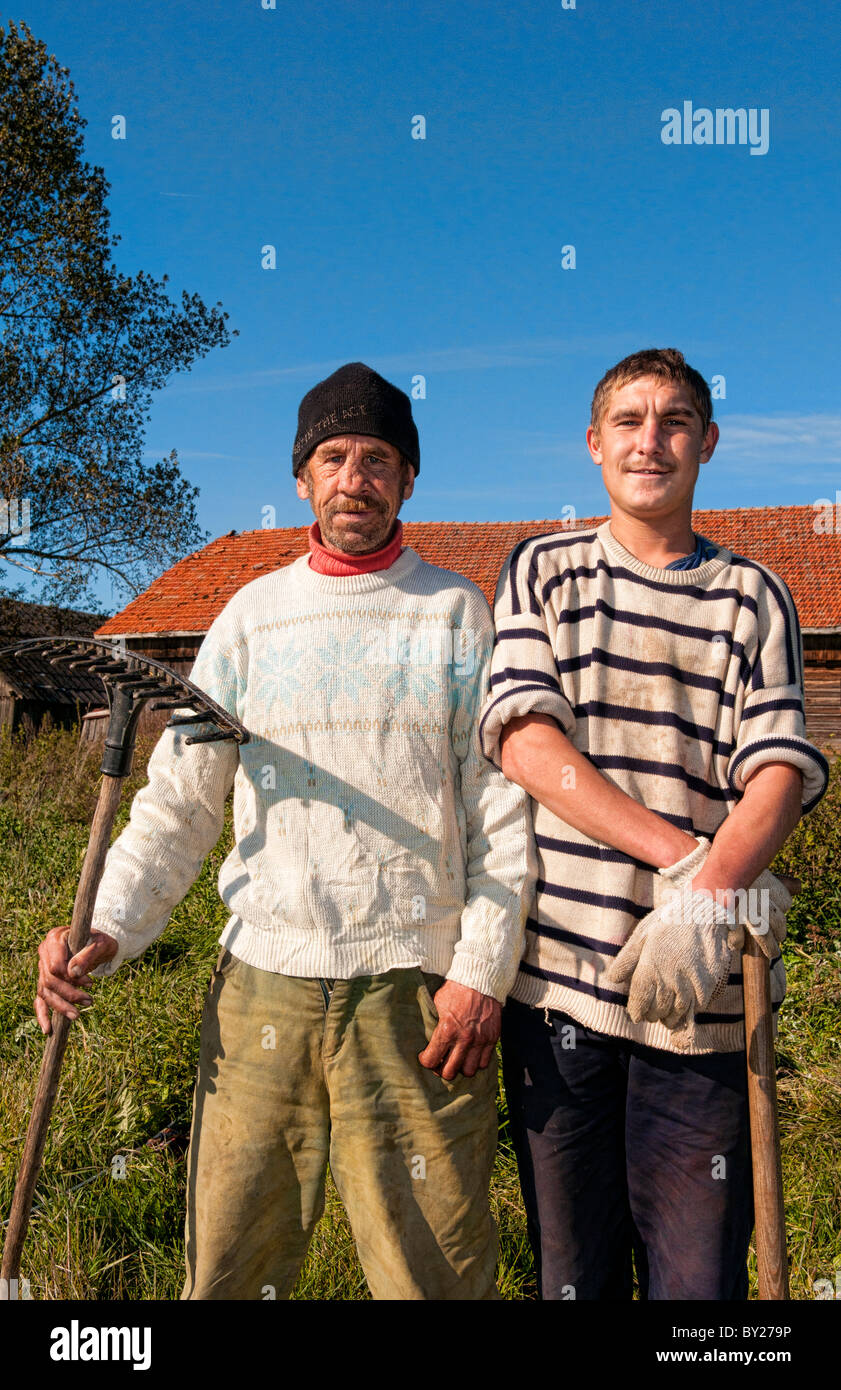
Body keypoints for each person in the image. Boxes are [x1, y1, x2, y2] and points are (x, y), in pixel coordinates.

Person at [34, 362, 536, 1301]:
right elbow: (180, 802)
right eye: (334, 457)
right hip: (262, 986)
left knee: (431, 1273)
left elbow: (501, 812)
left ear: (408, 479)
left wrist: (480, 974)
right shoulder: (252, 618)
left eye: (379, 458)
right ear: (303, 477)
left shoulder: (457, 616)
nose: (356, 477)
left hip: (415, 1000)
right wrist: (104, 926)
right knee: (229, 1263)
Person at [479, 347, 828, 1301]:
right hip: (561, 994)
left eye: (674, 421)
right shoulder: (542, 570)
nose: (651, 440)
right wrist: (691, 866)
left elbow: (777, 774)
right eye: (628, 421)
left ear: (707, 443)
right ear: (593, 444)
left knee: (697, 1282)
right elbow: (524, 744)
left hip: (708, 1001)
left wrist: (707, 903)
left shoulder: (752, 596)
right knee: (571, 1271)